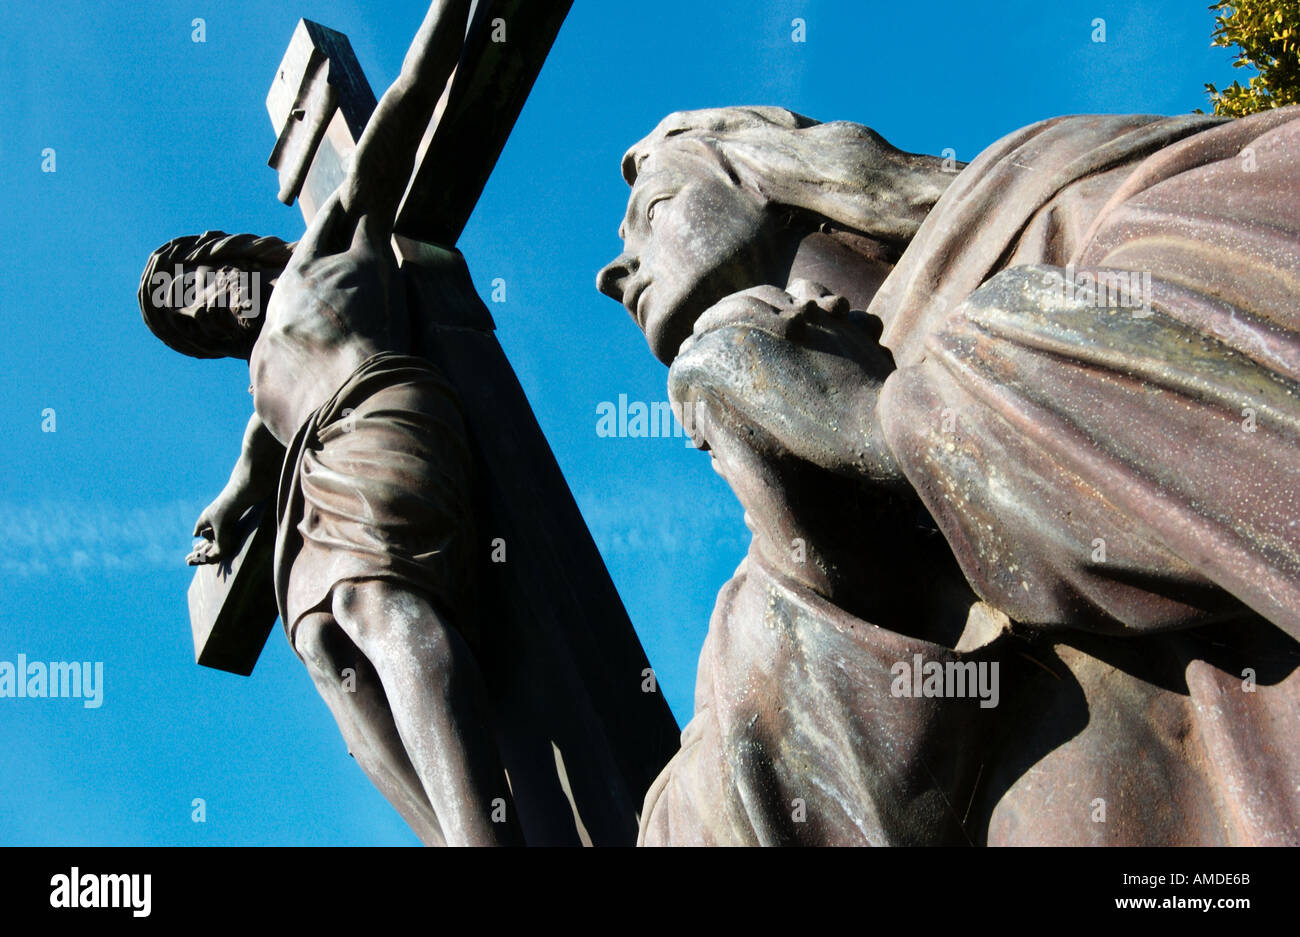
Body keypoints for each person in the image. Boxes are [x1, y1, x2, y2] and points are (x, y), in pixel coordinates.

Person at [598, 105, 1300, 845]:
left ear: (765, 173)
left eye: (655, 207)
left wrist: (882, 427)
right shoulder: (763, 579)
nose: (614, 274)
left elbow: (1256, 294)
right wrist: (822, 559)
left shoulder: (1039, 194)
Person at [139, 0, 521, 846]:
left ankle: (483, 833)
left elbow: (410, 98)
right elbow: (252, 468)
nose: (203, 308)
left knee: (376, 596)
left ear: (231, 259)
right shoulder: (263, 382)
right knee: (322, 643)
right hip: (311, 473)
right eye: (190, 317)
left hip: (379, 413)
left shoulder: (330, 243)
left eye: (196, 285)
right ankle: (451, 831)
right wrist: (227, 508)